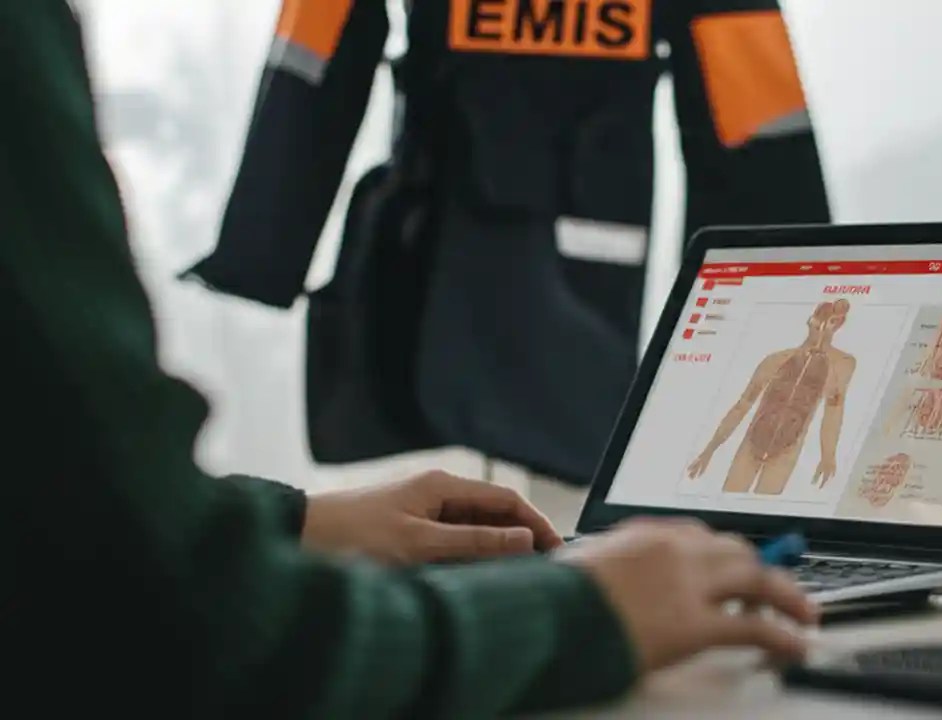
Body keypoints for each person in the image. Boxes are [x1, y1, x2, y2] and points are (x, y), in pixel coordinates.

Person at [0, 2, 817, 717]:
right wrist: (582, 617)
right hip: (445, 280)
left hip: (575, 300)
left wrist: (299, 521)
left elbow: (72, 519)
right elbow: (168, 615)